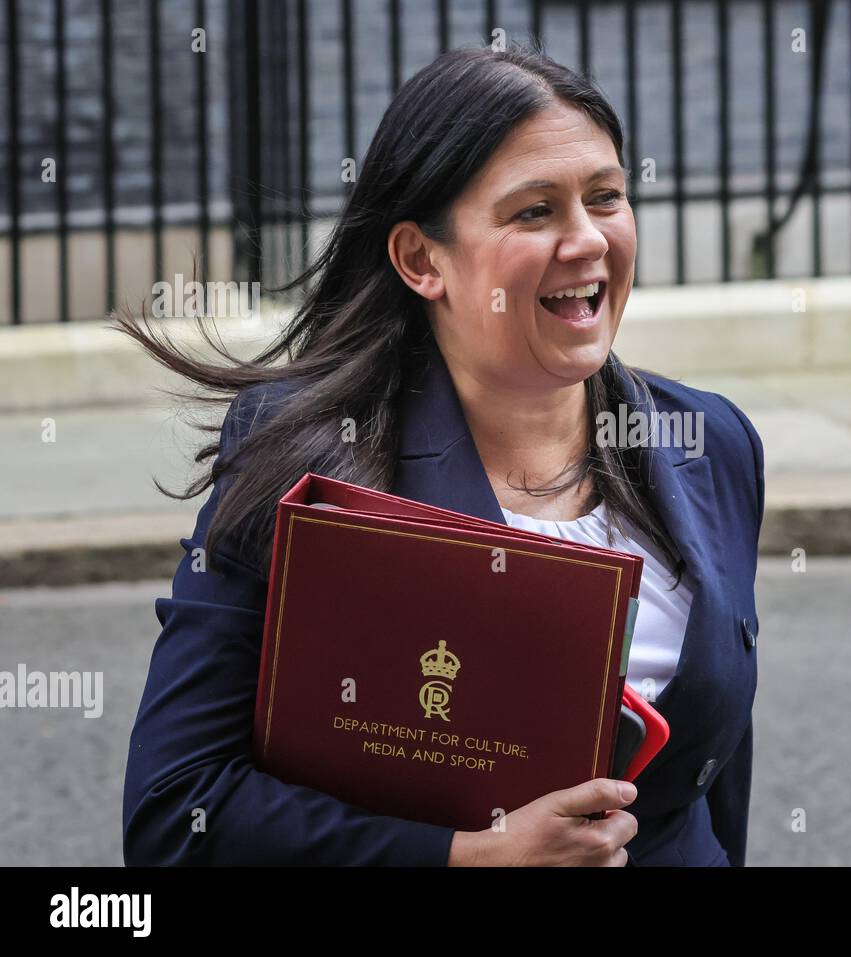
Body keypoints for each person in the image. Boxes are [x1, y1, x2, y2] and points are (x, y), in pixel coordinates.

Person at [117, 44, 763, 867]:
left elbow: (717, 784)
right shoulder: (304, 458)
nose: (588, 241)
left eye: (606, 198)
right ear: (423, 260)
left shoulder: (713, 444)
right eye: (534, 212)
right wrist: (465, 855)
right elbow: (179, 809)